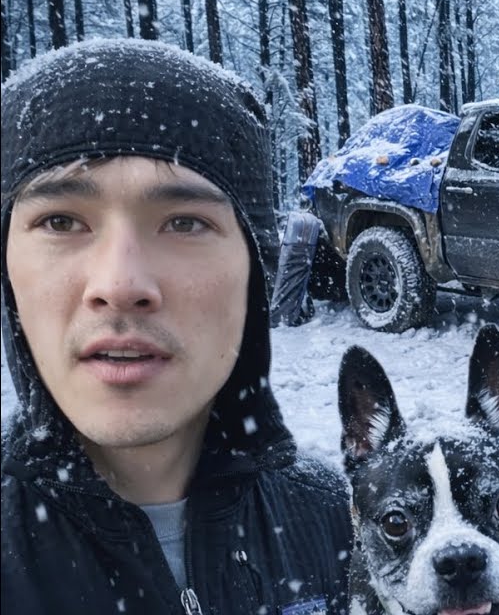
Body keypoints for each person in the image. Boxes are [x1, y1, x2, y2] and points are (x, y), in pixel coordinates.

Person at [1, 39, 351, 613]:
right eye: (61, 220)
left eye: (184, 222)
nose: (119, 284)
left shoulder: (335, 520)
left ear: (253, 272)